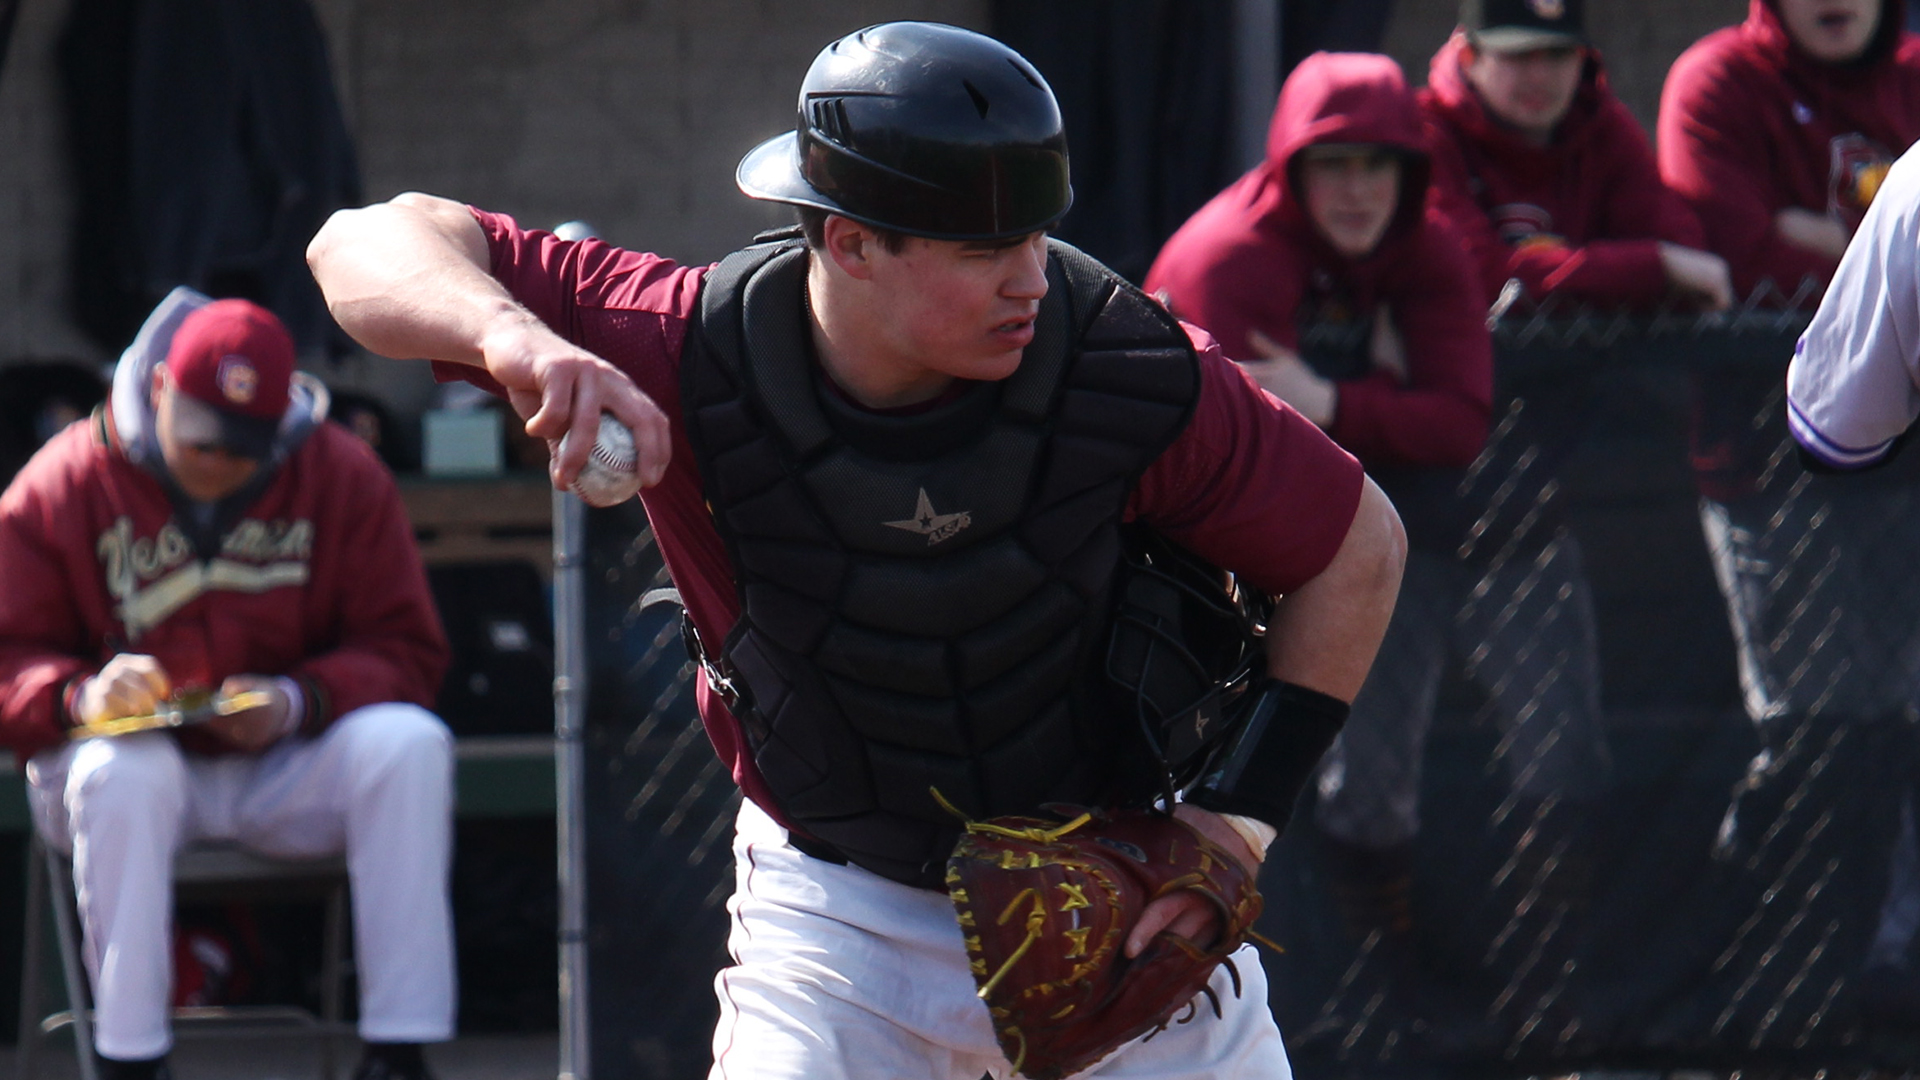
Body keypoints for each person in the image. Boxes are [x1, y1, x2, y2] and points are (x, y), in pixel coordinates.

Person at [308, 22, 1406, 1080]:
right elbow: (358, 239)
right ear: (849, 240)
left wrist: (1235, 827)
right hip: (841, 916)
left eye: (1035, 233)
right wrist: (515, 338)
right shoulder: (691, 347)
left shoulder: (1122, 364)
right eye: (985, 247)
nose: (1031, 276)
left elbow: (1359, 549)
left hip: (1116, 889)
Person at [0, 293, 456, 1080]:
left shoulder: (340, 471)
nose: (219, 466)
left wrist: (298, 699)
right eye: (206, 443)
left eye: (243, 449)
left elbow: (407, 648)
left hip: (282, 764)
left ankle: (398, 1051)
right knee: (120, 772)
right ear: (163, 389)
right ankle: (131, 1060)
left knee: (410, 745)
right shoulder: (67, 478)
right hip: (126, 780)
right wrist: (79, 697)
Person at [1145, 51, 1498, 1018]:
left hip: (1366, 564)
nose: (1355, 189)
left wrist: (1331, 395)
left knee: (1360, 794)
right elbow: (1231, 473)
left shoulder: (1426, 248)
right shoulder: (1231, 253)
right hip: (1199, 576)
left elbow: (1462, 421)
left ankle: (1377, 1004)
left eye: (1378, 164)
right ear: (1290, 168)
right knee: (1222, 791)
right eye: (1331, 163)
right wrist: (1390, 398)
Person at [1422, 0, 1734, 311]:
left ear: (1583, 59)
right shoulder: (1426, 132)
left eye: (1558, 54)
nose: (1540, 77)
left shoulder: (1601, 125)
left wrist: (1640, 267)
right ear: (1468, 57)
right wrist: (1652, 266)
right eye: (1518, 56)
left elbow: (1684, 250)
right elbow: (1472, 274)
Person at [1658, 0, 1920, 301]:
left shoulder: (1914, 74)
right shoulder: (1718, 82)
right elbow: (1740, 267)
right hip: (1763, 346)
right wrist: (1906, 259)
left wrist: (1841, 236)